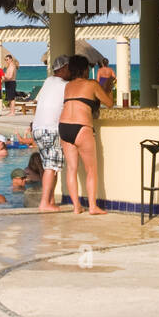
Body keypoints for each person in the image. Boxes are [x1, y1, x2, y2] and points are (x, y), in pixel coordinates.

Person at [59, 54, 114, 215]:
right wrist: (109, 86)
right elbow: (109, 103)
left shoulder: (67, 86)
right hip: (81, 126)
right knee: (91, 170)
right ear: (84, 70)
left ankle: (76, 207)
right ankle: (92, 206)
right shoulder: (92, 84)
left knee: (71, 169)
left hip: (64, 126)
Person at [32, 55, 71, 211]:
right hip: (51, 129)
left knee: (51, 166)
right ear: (63, 68)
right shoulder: (65, 85)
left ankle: (50, 201)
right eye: (69, 68)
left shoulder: (48, 81)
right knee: (51, 167)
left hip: (38, 128)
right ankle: (44, 203)